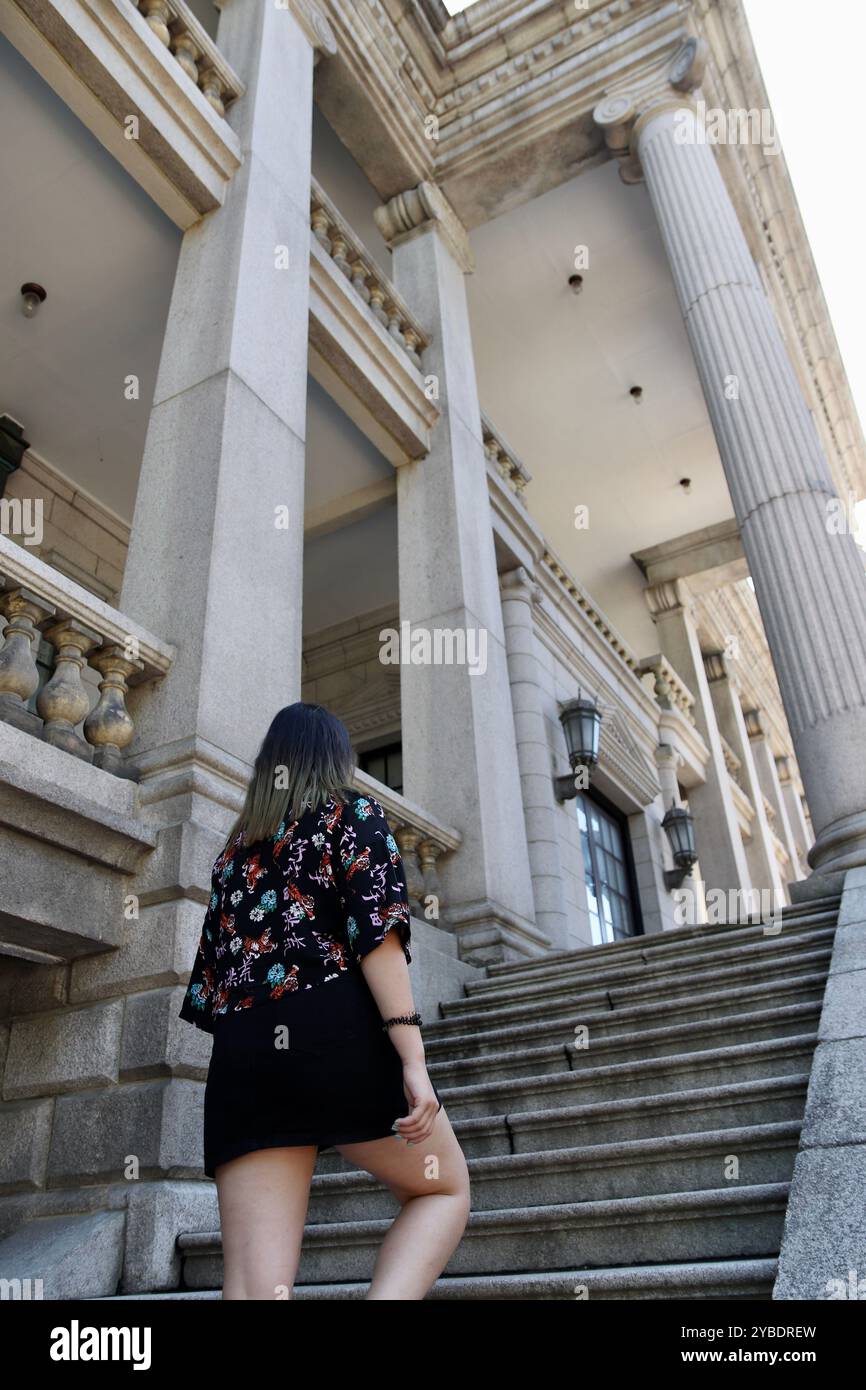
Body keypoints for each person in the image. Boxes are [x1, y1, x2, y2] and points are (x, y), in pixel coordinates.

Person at [179, 701, 471, 1299]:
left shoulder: (233, 855)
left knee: (256, 1288)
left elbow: (211, 982)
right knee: (444, 1190)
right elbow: (379, 943)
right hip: (334, 1027)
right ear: (337, 761)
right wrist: (414, 1063)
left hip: (244, 1053)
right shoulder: (352, 815)